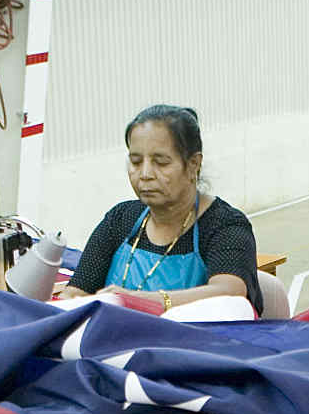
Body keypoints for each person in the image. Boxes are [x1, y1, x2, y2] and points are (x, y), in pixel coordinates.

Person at [57, 105, 260, 312]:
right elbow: (78, 290)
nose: (145, 174)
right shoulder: (120, 219)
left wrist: (139, 301)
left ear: (193, 164)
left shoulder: (224, 225)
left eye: (161, 163)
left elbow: (229, 293)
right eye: (135, 162)